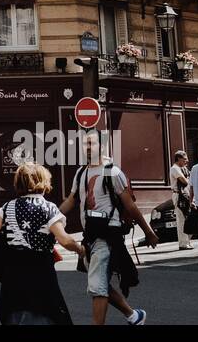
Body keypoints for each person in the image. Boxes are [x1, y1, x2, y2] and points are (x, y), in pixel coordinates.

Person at [59, 132, 158, 325]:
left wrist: (149, 232)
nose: (87, 147)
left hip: (107, 236)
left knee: (97, 287)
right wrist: (51, 217)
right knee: (100, 283)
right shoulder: (81, 173)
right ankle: (134, 316)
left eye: (91, 143)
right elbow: (71, 200)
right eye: (84, 144)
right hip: (89, 237)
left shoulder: (112, 172)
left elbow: (130, 206)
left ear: (102, 146)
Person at [0, 161, 83, 325]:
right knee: (47, 315)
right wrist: (80, 250)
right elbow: (64, 240)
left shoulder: (7, 207)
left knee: (15, 316)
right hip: (41, 273)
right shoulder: (47, 208)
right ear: (43, 183)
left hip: (13, 276)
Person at [168, 151, 192, 250]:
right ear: (179, 159)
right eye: (185, 159)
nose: (187, 161)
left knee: (189, 218)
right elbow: (185, 181)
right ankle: (183, 244)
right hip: (178, 195)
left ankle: (187, 241)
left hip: (186, 195)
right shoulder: (174, 168)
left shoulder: (183, 168)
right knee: (181, 219)